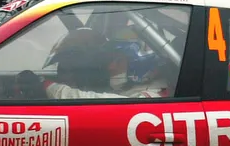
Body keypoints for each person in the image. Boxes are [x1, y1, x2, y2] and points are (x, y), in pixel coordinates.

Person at [17, 28, 174, 100]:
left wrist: (47, 86)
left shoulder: (149, 98)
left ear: (140, 63)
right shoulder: (133, 88)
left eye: (117, 60)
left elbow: (94, 101)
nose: (109, 67)